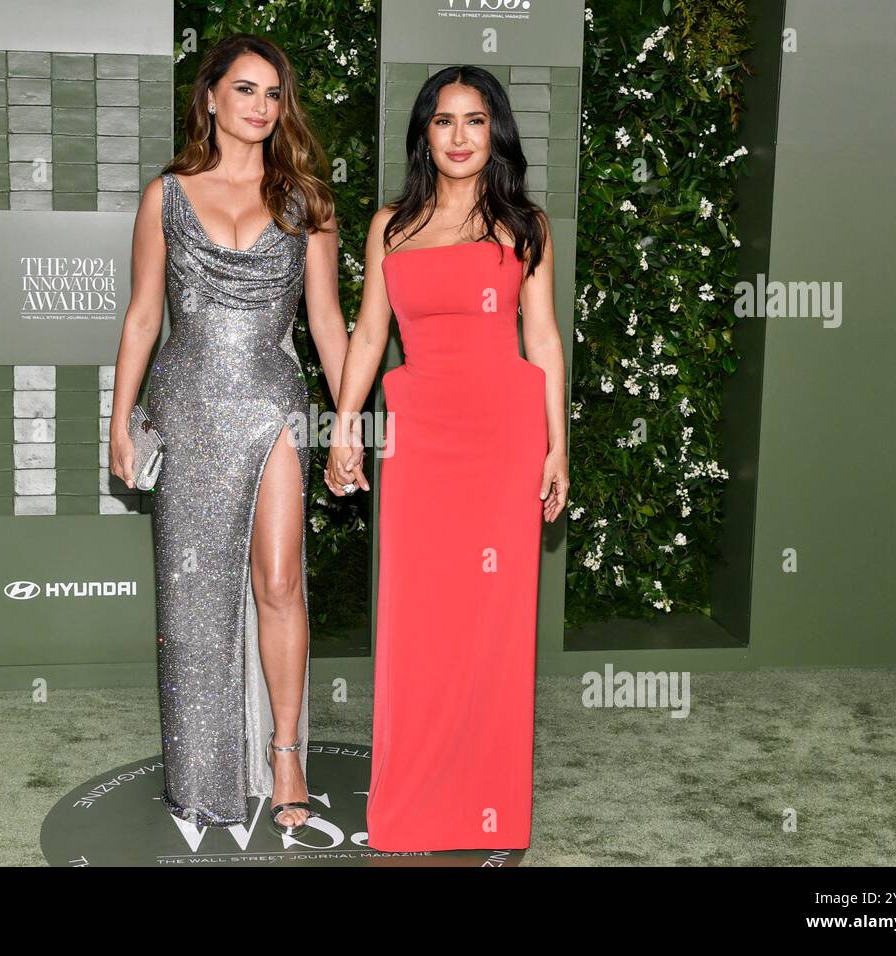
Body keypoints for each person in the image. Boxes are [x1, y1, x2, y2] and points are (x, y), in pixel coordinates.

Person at [325, 65, 570, 851]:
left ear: (494, 130)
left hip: (504, 436)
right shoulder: (390, 225)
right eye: (443, 121)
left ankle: (485, 801)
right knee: (419, 619)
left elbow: (542, 337)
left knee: (492, 624)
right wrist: (344, 425)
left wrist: (557, 442)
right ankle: (417, 799)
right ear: (423, 133)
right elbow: (368, 335)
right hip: (421, 437)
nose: (460, 137)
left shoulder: (524, 224)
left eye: (474, 120)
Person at [109, 34, 348, 834]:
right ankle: (204, 771)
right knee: (195, 592)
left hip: (273, 402)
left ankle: (286, 755)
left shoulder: (306, 201)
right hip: (185, 404)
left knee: (278, 578)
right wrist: (120, 416)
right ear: (209, 97)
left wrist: (347, 422)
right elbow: (145, 314)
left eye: (273, 94)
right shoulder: (166, 196)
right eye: (244, 89)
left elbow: (326, 324)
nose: (259, 106)